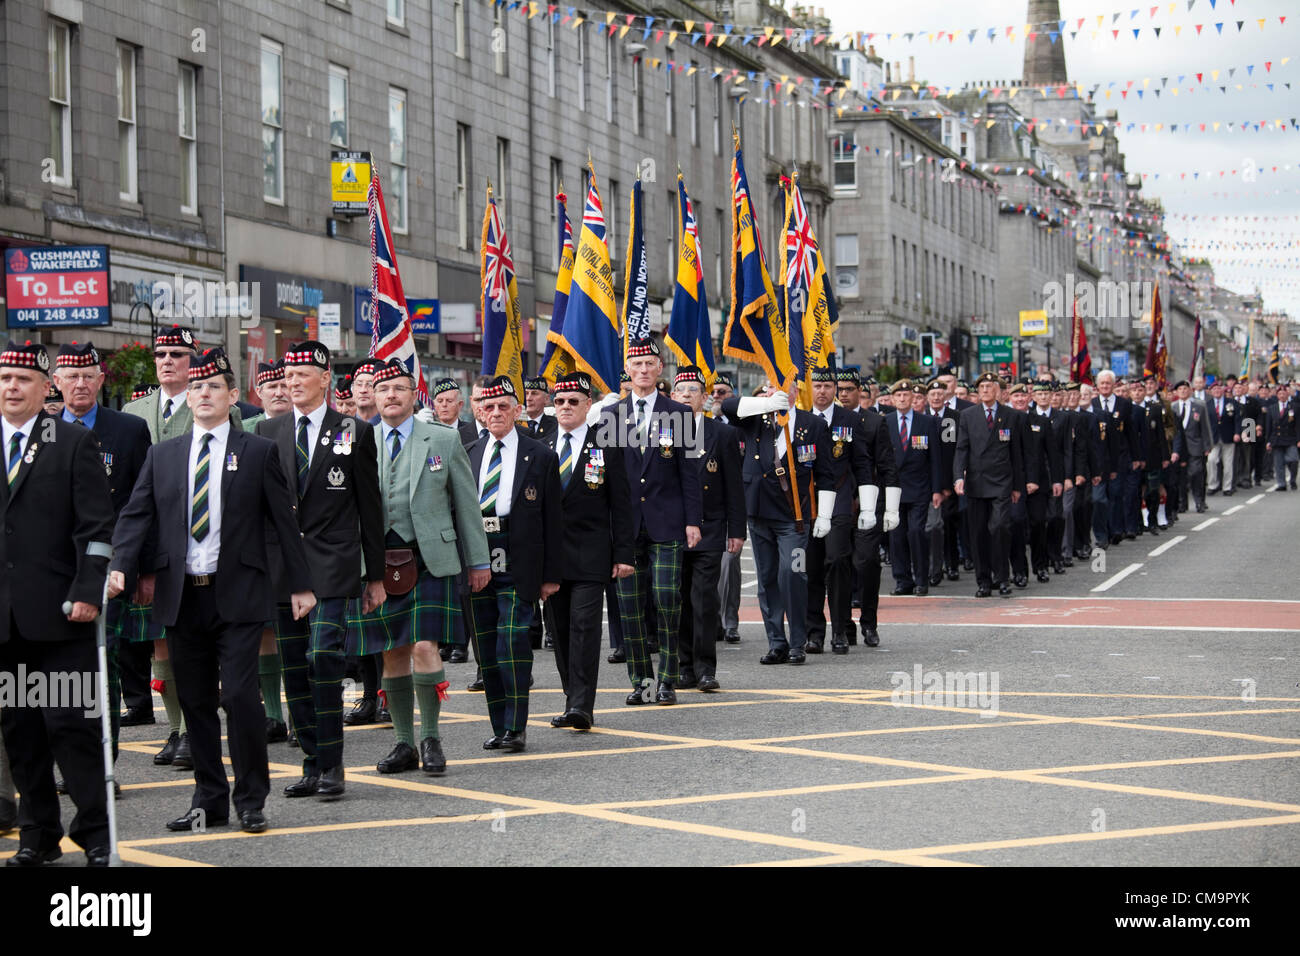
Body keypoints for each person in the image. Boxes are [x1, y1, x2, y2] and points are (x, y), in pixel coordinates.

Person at [108, 348, 315, 834]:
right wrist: (119, 565)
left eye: (213, 387)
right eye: (197, 387)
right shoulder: (164, 455)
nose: (203, 394)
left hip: (239, 593)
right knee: (196, 701)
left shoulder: (256, 450)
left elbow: (284, 524)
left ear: (231, 397)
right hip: (183, 596)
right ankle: (209, 799)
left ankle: (251, 799)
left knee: (241, 696)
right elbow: (136, 515)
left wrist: (301, 585)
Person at [0, 341, 114, 866]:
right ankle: (37, 835)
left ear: (47, 387)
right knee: (20, 733)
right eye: (4, 379)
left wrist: (88, 591)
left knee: (71, 725)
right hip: (5, 620)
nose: (11, 388)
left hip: (62, 614)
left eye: (23, 380)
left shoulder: (68, 442)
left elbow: (96, 528)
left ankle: (94, 834)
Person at [256, 341, 386, 800]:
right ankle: (312, 763)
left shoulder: (354, 431)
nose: (292, 383)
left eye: (302, 375)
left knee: (323, 657)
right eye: (287, 377)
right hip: (283, 569)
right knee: (294, 668)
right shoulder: (266, 431)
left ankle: (333, 764)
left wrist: (375, 577)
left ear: (326, 378)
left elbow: (370, 508)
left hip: (334, 565)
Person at [349, 359, 490, 774]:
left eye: (399, 387)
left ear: (415, 396)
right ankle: (403, 743)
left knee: (426, 646)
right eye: (383, 388)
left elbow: (467, 503)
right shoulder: (358, 439)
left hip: (429, 558)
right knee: (392, 654)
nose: (390, 394)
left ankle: (431, 738)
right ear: (373, 396)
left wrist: (478, 560)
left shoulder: (443, 439)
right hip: (377, 563)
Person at [52, 342, 153, 759]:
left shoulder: (128, 429)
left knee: (104, 664)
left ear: (101, 379)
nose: (80, 384)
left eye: (88, 375)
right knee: (59, 669)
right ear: (56, 383)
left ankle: (102, 761)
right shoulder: (40, 430)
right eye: (71, 376)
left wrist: (144, 570)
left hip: (111, 567)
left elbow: (145, 503)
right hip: (55, 568)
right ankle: (66, 757)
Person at [122, 325, 206, 768]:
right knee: (159, 642)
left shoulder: (205, 403)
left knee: (188, 639)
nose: (167, 360)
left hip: (195, 537)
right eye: (161, 354)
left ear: (193, 361)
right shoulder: (135, 409)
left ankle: (194, 730)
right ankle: (175, 729)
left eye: (177, 353)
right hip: (149, 541)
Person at [602, 338, 702, 702]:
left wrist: (694, 519)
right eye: (636, 364)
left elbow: (690, 471)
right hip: (626, 526)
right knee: (629, 606)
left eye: (649, 364)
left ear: (661, 369)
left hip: (667, 520)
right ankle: (641, 681)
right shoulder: (610, 416)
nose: (643, 370)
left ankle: (668, 679)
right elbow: (605, 474)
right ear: (627, 370)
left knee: (666, 599)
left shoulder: (680, 413)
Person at [466, 376, 561, 751]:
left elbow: (553, 520)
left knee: (512, 642)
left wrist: (550, 576)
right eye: (488, 407)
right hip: (477, 555)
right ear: (480, 411)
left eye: (503, 406)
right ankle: (500, 724)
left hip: (519, 556)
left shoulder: (540, 455)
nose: (495, 413)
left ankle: (517, 726)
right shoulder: (470, 452)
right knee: (487, 649)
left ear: (517, 409)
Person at [721, 379, 834, 663]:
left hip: (793, 518)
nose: (777, 391)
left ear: (797, 391)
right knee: (768, 578)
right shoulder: (754, 419)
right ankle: (777, 642)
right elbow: (727, 406)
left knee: (793, 574)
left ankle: (798, 641)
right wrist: (767, 404)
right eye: (771, 387)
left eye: (783, 387)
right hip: (759, 515)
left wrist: (824, 514)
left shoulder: (813, 425)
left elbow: (826, 474)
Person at [544, 373, 633, 727]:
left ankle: (582, 705)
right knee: (561, 631)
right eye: (560, 401)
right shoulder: (541, 446)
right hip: (551, 559)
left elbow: (622, 505)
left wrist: (624, 554)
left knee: (584, 628)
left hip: (592, 554)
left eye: (573, 401)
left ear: (587, 405)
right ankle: (571, 698)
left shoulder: (606, 446)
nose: (565, 407)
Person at [672, 367, 744, 688]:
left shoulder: (723, 434)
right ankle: (683, 665)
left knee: (703, 599)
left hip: (710, 528)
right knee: (678, 599)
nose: (686, 395)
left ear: (705, 398)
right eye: (680, 390)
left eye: (693, 390)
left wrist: (736, 530)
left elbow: (733, 488)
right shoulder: (662, 431)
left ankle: (705, 669)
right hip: (671, 529)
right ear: (671, 397)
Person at [804, 367, 878, 651]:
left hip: (839, 502)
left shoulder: (849, 419)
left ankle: (839, 629)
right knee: (810, 568)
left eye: (827, 387)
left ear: (835, 389)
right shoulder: (801, 419)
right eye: (817, 387)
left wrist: (868, 506)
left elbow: (861, 462)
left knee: (836, 562)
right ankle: (814, 632)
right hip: (809, 506)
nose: (822, 392)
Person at [954, 372, 1025, 598]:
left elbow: (1017, 454)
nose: (986, 390)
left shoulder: (1010, 415)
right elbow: (962, 449)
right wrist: (958, 476)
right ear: (978, 391)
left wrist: (1017, 486)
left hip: (1002, 481)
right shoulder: (967, 416)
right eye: (982, 386)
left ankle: (1002, 578)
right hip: (977, 481)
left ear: (998, 390)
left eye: (990, 386)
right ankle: (983, 580)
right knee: (978, 533)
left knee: (1000, 527)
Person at [885, 380, 943, 595]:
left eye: (906, 395)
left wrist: (937, 489)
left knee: (917, 532)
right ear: (892, 399)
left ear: (914, 398)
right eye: (898, 396)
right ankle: (902, 580)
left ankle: (921, 580)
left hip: (919, 487)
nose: (902, 399)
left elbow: (935, 458)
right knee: (896, 535)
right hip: (893, 489)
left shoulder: (926, 422)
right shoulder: (887, 422)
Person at [710, 373, 743, 644]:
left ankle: (729, 621)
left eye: (722, 392)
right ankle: (713, 620)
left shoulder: (743, 422)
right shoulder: (701, 426)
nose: (717, 396)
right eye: (713, 392)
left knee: (730, 563)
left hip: (734, 503)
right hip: (708, 506)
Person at [1205, 380, 1240, 496]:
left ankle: (1227, 487)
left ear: (1223, 390)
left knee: (1228, 463)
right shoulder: (1207, 404)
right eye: (1214, 389)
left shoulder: (1232, 403)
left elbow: (1237, 420)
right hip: (1213, 437)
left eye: (1219, 389)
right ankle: (1212, 485)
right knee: (1211, 461)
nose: (1217, 391)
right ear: (1211, 391)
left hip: (1228, 436)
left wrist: (1237, 433)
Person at [1265, 383, 1299, 490]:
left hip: (1291, 438)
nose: (1282, 395)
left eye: (1284, 393)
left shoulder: (1295, 407)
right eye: (1280, 394)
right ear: (1277, 395)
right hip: (1277, 438)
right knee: (1278, 463)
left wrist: (1299, 439)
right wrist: (1268, 441)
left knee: (1293, 460)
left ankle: (1292, 480)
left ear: (1287, 394)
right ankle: (1281, 484)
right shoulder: (1272, 408)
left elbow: (1298, 425)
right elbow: (1268, 426)